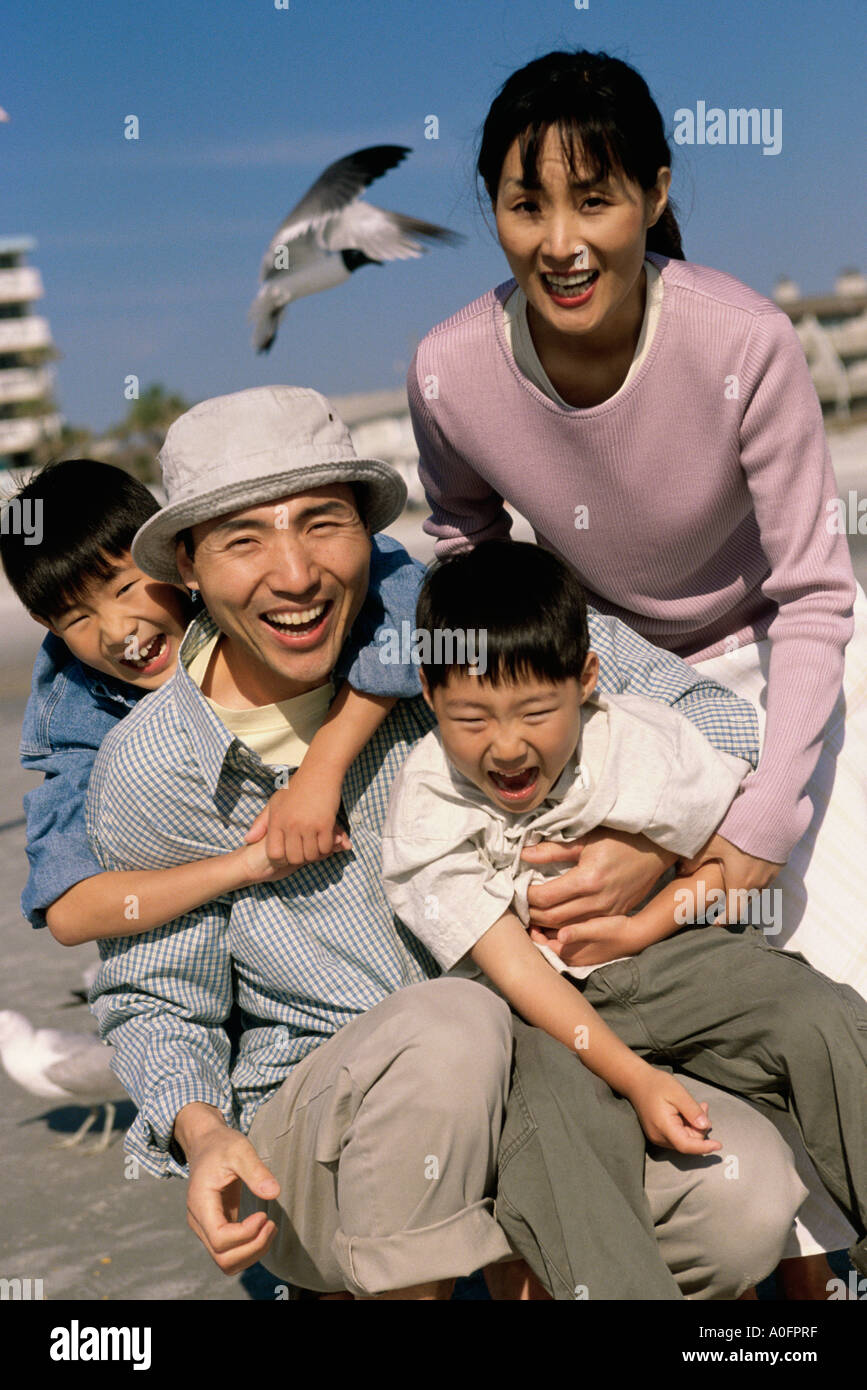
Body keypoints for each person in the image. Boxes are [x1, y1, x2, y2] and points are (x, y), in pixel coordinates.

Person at [85, 385, 805, 1299]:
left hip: (545, 1087)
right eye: (243, 540)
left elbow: (722, 724)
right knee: (451, 1020)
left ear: (367, 532)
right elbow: (155, 1001)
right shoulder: (153, 766)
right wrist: (202, 1131)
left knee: (738, 1195)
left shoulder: (461, 626)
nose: (296, 573)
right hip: (325, 1143)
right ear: (186, 566)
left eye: (322, 524)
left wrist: (648, 845)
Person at [407, 47, 865, 1288]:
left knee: (818, 947)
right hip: (607, 671)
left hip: (781, 648)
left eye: (594, 197)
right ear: (494, 210)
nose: (560, 240)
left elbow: (822, 591)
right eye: (524, 202)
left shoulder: (742, 339)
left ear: (656, 196)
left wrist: (756, 820)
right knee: (622, 933)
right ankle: (776, 1266)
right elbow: (466, 557)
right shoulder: (449, 371)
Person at [380, 540, 867, 1288]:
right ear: (428, 691)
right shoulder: (427, 801)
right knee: (561, 1145)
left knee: (820, 1016)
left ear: (584, 680)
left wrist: (648, 918)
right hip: (539, 1011)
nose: (505, 747)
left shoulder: (633, 737)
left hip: (676, 959)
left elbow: (718, 856)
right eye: (471, 718)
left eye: (536, 711)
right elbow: (510, 967)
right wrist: (635, 1079)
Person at [0, 457, 421, 945]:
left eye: (126, 588)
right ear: (47, 626)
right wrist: (246, 866)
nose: (118, 634)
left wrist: (321, 771)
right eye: (77, 619)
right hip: (254, 944)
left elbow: (399, 585)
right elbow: (70, 909)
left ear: (175, 557)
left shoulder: (240, 592)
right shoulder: (79, 712)